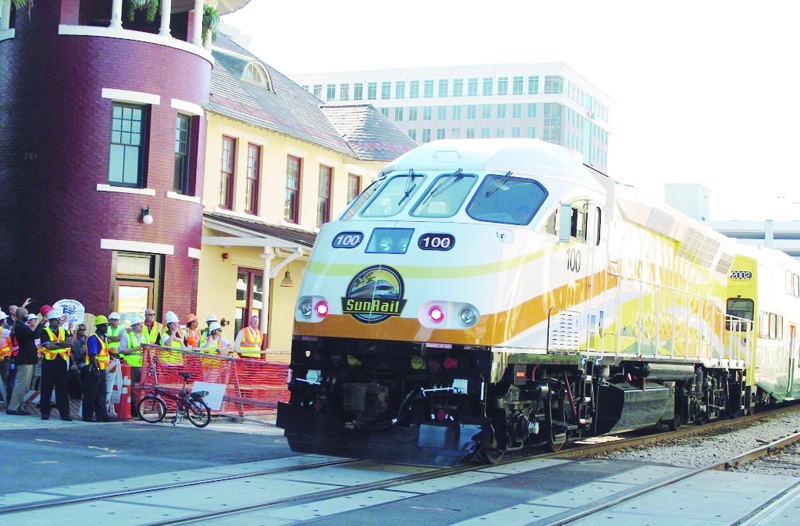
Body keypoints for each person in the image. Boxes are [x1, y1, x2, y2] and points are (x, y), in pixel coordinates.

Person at [39, 309, 74, 421]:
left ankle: (65, 414)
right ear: (50, 321)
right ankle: (45, 412)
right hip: (49, 362)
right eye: (56, 320)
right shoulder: (45, 331)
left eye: (59, 319)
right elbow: (47, 346)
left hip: (61, 362)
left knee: (63, 388)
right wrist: (62, 344)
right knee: (46, 388)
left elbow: (70, 343)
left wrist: (57, 343)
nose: (59, 321)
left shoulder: (64, 331)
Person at [81, 315, 114, 422]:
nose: (107, 328)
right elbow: (92, 355)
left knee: (101, 394)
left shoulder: (103, 338)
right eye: (105, 326)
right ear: (99, 327)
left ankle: (102, 415)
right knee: (91, 394)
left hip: (102, 370)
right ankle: (87, 416)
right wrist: (97, 370)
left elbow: (103, 353)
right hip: (93, 370)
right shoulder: (93, 338)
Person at [7, 307, 40, 415]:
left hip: (28, 358)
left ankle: (19, 406)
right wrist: (42, 323)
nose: (28, 315)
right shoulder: (20, 326)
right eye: (26, 313)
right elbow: (33, 335)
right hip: (25, 358)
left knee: (25, 385)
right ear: (21, 314)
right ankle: (13, 407)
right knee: (21, 384)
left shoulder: (21, 326)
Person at [119, 315, 148, 405]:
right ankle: (132, 409)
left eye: (142, 324)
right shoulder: (127, 337)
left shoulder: (146, 337)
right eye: (139, 325)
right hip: (131, 367)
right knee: (131, 389)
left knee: (143, 390)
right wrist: (134, 349)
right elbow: (121, 350)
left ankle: (140, 408)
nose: (141, 326)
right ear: (134, 326)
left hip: (142, 367)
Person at [0, 312, 12, 404]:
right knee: (4, 378)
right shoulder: (5, 332)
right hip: (3, 358)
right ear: (3, 321)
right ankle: (3, 398)